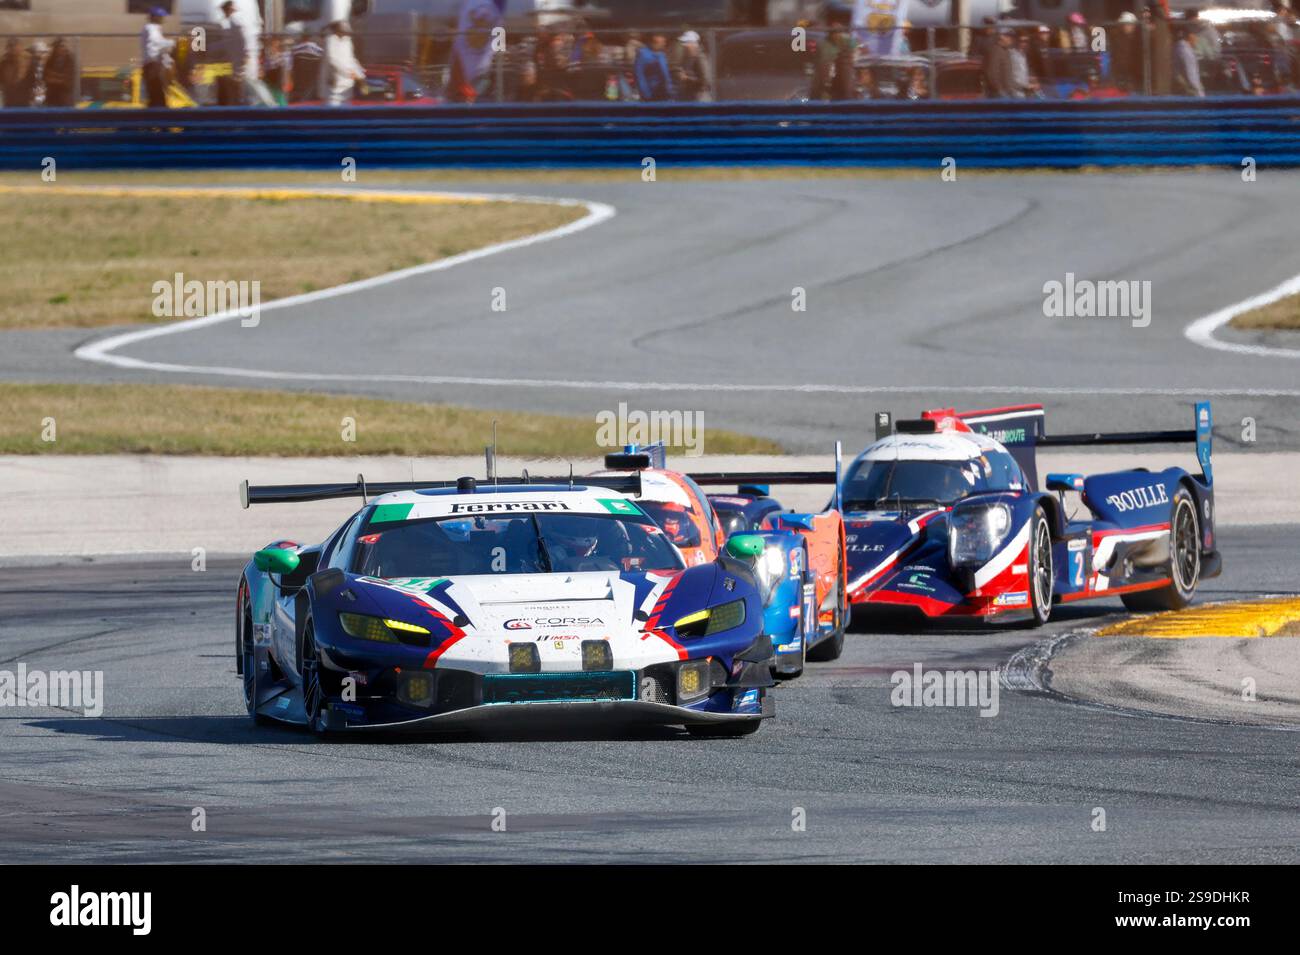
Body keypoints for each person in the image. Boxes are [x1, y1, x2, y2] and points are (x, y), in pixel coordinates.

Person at [222, 0, 276, 106]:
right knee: (248, 83)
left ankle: (269, 104)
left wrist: (244, 56)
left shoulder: (234, 20)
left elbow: (242, 39)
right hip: (247, 55)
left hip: (245, 57)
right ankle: (260, 104)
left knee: (250, 82)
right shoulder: (239, 18)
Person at [321, 19, 365, 106]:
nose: (346, 33)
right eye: (343, 30)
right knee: (332, 109)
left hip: (347, 84)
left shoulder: (347, 41)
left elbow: (352, 59)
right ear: (337, 30)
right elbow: (332, 60)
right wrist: (349, 73)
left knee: (346, 110)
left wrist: (360, 75)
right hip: (334, 84)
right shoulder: (330, 40)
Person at [141, 6, 174, 108]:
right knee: (157, 94)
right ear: (155, 17)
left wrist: (168, 63)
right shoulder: (151, 28)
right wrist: (173, 42)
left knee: (156, 95)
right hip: (152, 66)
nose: (162, 19)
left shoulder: (154, 29)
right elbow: (157, 43)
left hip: (153, 66)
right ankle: (157, 119)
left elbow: (161, 50)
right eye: (160, 17)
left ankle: (156, 119)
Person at [672, 30, 711, 101]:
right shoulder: (687, 57)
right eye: (684, 43)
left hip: (700, 98)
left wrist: (687, 78)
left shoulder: (701, 58)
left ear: (693, 44)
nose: (684, 46)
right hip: (689, 96)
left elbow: (705, 81)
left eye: (686, 43)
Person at [634, 33, 673, 101]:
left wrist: (669, 88)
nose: (664, 44)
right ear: (654, 43)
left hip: (664, 91)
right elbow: (639, 75)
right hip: (651, 92)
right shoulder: (643, 54)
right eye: (662, 42)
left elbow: (665, 73)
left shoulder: (661, 55)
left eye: (664, 42)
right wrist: (646, 93)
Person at [289, 33, 322, 103]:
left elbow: (290, 62)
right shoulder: (319, 49)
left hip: (299, 74)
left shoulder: (295, 49)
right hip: (312, 73)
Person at [43, 37, 75, 107]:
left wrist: (52, 76)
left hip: (65, 99)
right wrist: (59, 77)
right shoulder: (50, 60)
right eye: (56, 47)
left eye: (61, 46)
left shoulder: (70, 60)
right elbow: (45, 77)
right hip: (51, 98)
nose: (58, 49)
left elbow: (67, 79)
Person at [1173, 28, 1205, 96]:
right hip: (1190, 92)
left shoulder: (1180, 48)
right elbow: (1191, 74)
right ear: (1191, 36)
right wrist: (1199, 93)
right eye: (1196, 36)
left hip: (1183, 88)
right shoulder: (1186, 51)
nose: (1197, 39)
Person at [983, 30, 1014, 98]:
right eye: (1009, 36)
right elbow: (992, 73)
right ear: (1001, 36)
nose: (1011, 39)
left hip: (1008, 93)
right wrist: (1000, 90)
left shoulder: (1006, 51)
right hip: (998, 95)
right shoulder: (995, 51)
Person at [0, 38, 29, 107]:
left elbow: (31, 79)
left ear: (21, 47)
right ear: (7, 48)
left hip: (24, 97)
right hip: (9, 96)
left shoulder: (28, 60)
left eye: (15, 46)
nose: (13, 48)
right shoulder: (3, 62)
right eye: (11, 46)